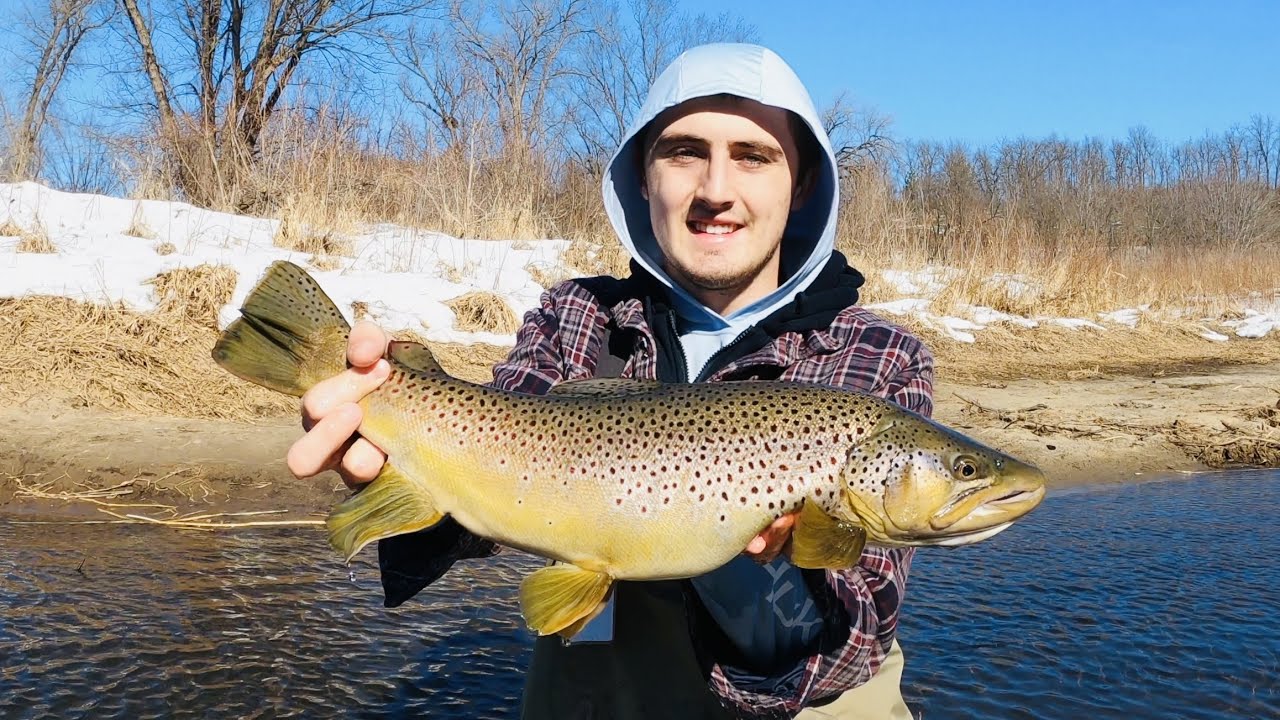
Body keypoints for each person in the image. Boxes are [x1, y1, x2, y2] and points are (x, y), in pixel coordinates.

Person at [287, 43, 932, 719]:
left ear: (800, 183)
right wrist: (392, 460)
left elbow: (852, 641)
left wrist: (752, 567)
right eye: (684, 151)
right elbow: (483, 506)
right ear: (644, 175)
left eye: (753, 155)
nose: (716, 189)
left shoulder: (877, 357)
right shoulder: (580, 317)